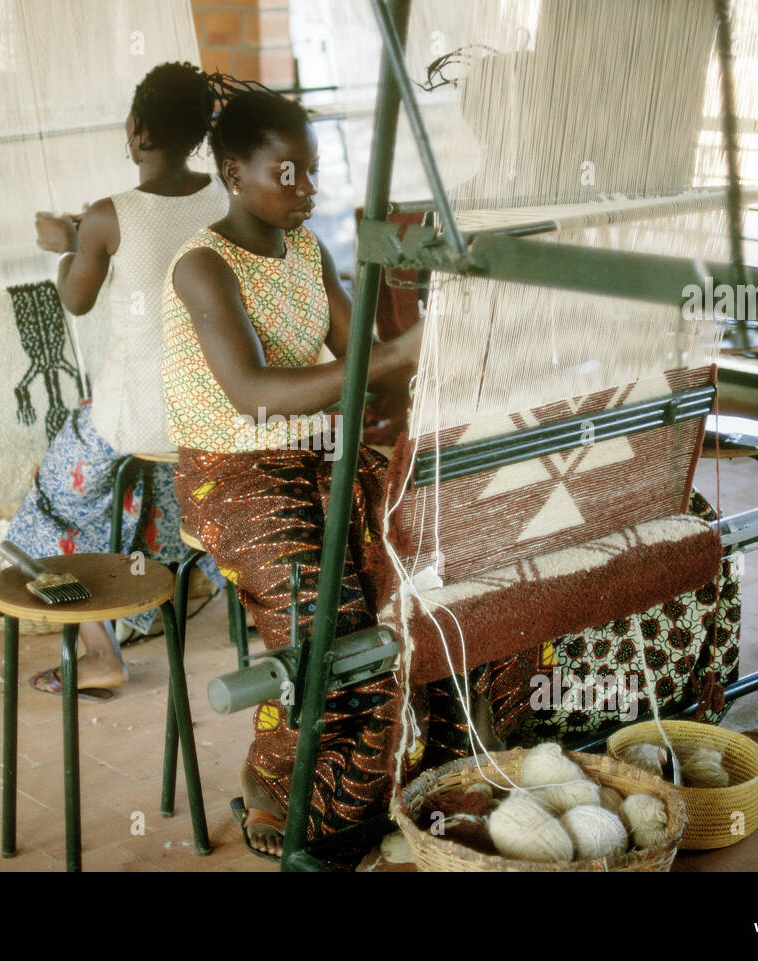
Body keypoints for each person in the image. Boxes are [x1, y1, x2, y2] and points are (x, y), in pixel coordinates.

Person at [161, 90, 538, 858]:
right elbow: (254, 394)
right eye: (288, 175)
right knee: (331, 638)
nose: (307, 192)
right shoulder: (203, 265)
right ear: (234, 172)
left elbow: (366, 367)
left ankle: (441, 765)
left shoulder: (307, 253)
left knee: (436, 561)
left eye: (313, 176)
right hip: (233, 473)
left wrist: (413, 399)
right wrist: (392, 357)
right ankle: (298, 797)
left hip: (319, 452)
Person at [5, 62, 228, 695]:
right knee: (146, 484)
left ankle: (99, 648)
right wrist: (90, 234)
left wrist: (70, 245)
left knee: (48, 508)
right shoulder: (226, 197)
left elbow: (75, 300)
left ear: (136, 130)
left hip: (139, 419)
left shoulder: (108, 215)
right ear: (200, 135)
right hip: (212, 412)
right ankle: (169, 586)